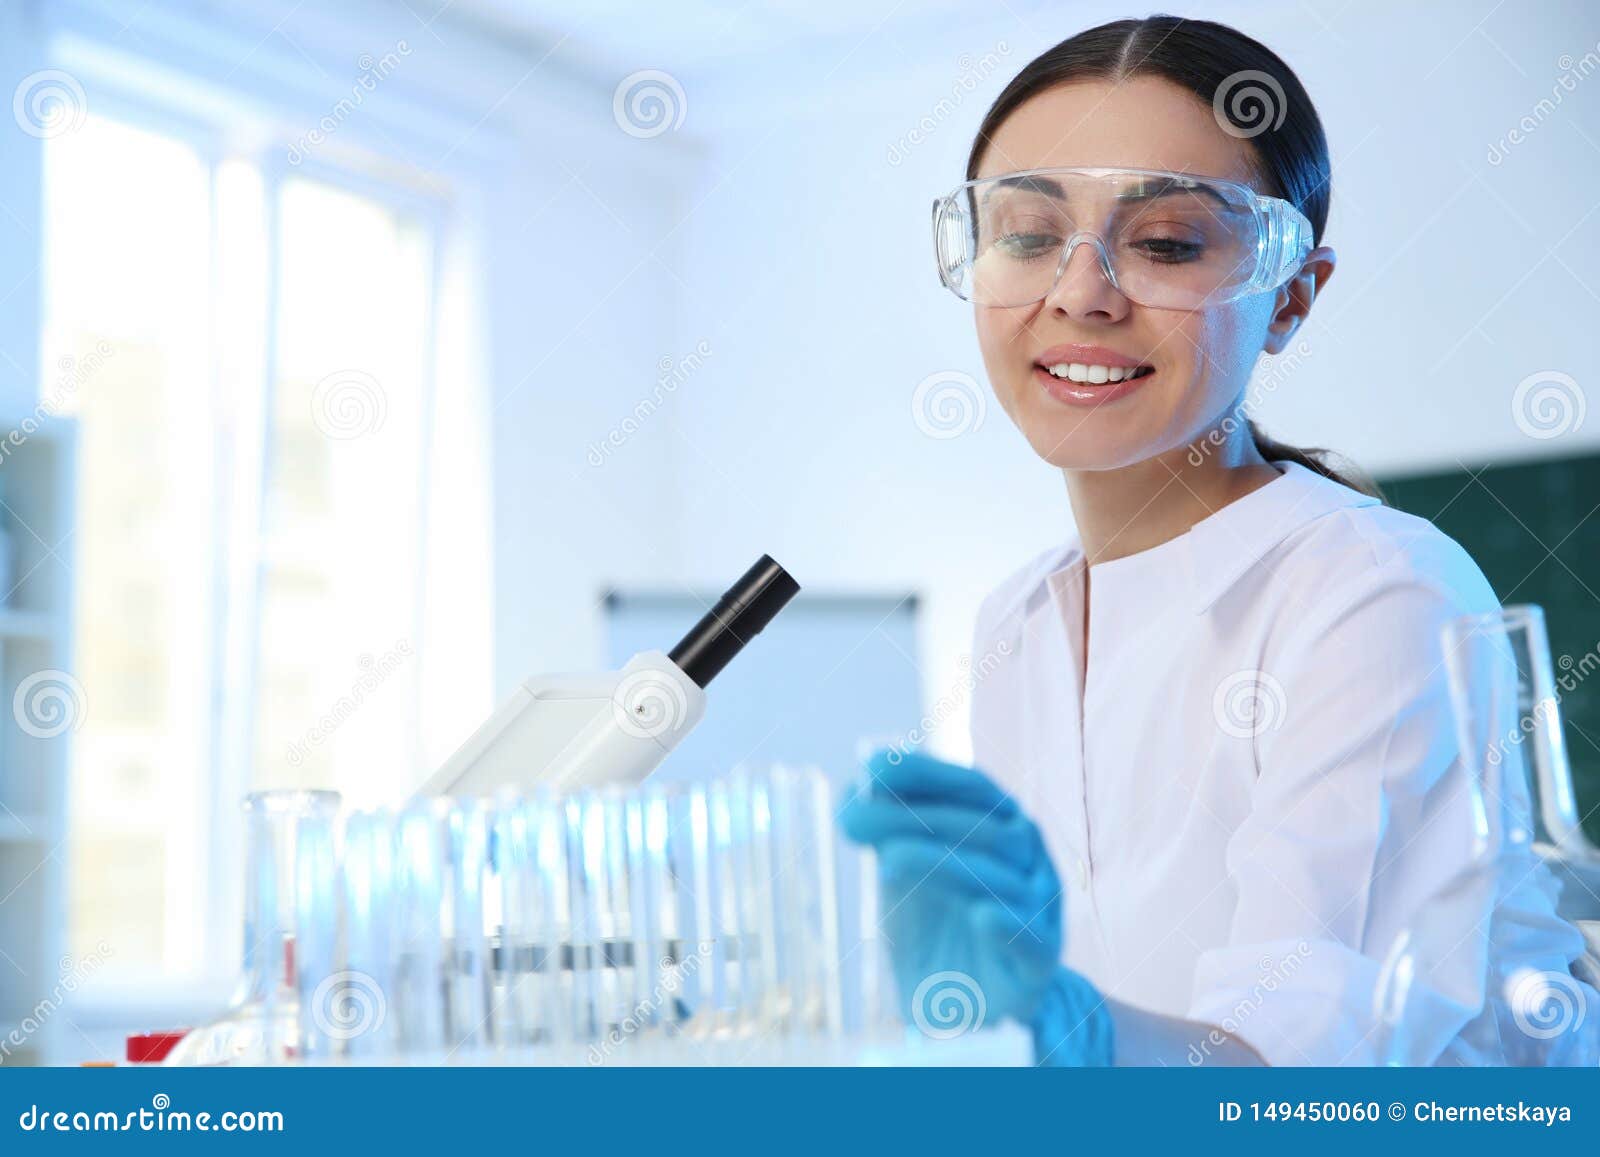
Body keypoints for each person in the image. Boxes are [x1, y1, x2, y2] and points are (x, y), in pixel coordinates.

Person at [840, 14, 1596, 1066]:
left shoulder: (1375, 590)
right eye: (1027, 234)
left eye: (1165, 243)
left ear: (1290, 298)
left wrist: (1064, 1031)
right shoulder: (1016, 616)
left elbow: (1297, 1070)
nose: (1079, 293)